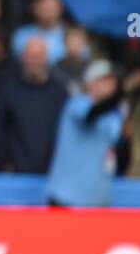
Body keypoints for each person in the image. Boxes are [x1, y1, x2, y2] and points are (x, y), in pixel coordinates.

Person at [45, 59, 125, 206]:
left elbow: (118, 155)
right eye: (104, 80)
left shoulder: (114, 116)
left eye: (112, 81)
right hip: (66, 199)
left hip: (98, 201)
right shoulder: (77, 103)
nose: (110, 85)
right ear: (89, 83)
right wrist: (120, 94)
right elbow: (91, 114)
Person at [0, 36, 70, 173]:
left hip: (51, 173)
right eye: (31, 56)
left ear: (46, 59)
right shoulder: (8, 89)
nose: (35, 61)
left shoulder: (59, 92)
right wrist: (1, 162)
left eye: (39, 56)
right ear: (23, 58)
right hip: (16, 172)